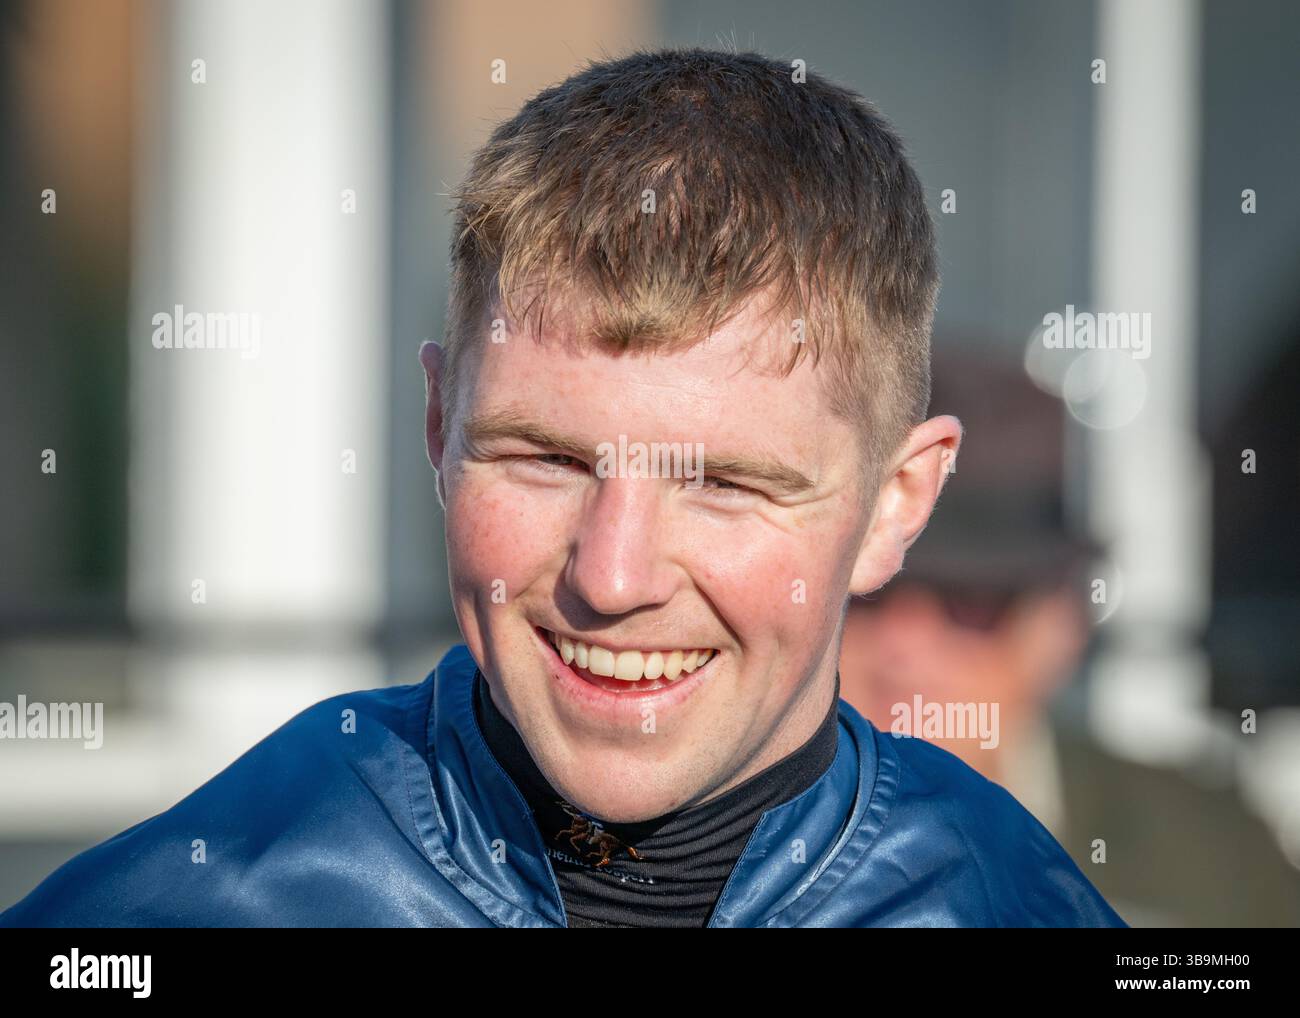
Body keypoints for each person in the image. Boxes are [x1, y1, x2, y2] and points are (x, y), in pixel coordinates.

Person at [1, 48, 1124, 927]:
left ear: (896, 504)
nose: (613, 577)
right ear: (438, 428)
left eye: (722, 482)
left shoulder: (1017, 907)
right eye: (544, 459)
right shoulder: (196, 906)